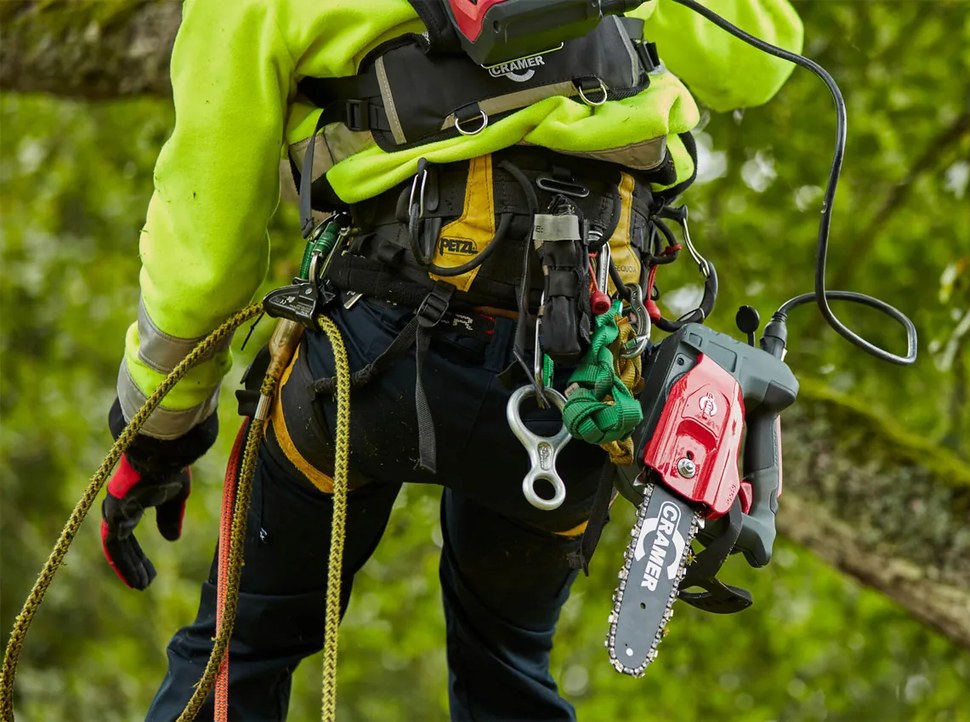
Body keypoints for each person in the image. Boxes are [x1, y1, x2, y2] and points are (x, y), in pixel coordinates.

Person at [98, 1, 803, 719]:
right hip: (581, 374)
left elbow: (205, 254)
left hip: (371, 352)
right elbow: (760, 59)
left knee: (236, 655)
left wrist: (157, 437)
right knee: (507, 673)